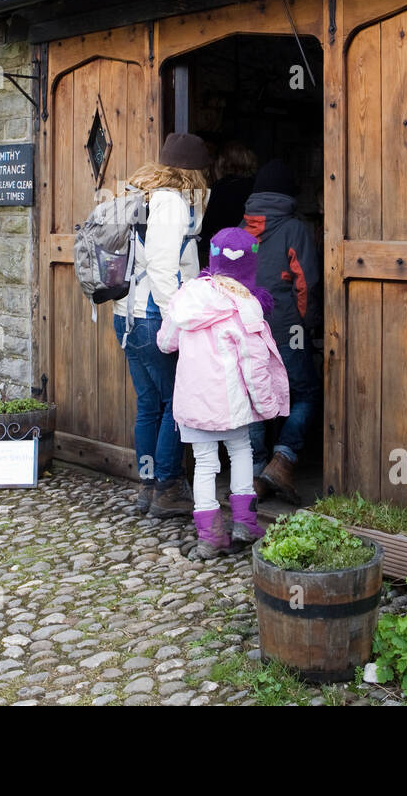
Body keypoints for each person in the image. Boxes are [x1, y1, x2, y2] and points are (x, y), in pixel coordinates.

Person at [157, 227, 289, 560]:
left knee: (204, 464)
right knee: (241, 451)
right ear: (250, 268)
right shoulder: (244, 307)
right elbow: (255, 365)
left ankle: (210, 537)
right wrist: (268, 405)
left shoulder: (186, 297)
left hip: (192, 400)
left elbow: (165, 342)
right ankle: (245, 522)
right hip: (231, 404)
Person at [113, 132, 211, 519]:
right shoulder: (171, 202)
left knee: (149, 405)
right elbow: (160, 265)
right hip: (154, 318)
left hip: (128, 316)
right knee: (176, 405)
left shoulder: (143, 195)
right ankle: (168, 489)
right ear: (194, 171)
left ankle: (148, 488)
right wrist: (178, 318)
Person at [242, 158, 322, 503]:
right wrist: (308, 325)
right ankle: (283, 458)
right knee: (305, 392)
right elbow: (306, 283)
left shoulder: (239, 230)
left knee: (253, 398)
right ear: (289, 194)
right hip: (286, 327)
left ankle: (256, 473)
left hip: (245, 326)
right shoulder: (294, 229)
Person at [199, 141, 258, 254]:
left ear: (223, 163)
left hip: (225, 248)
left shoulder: (219, 189)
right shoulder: (256, 186)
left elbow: (206, 225)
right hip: (252, 246)